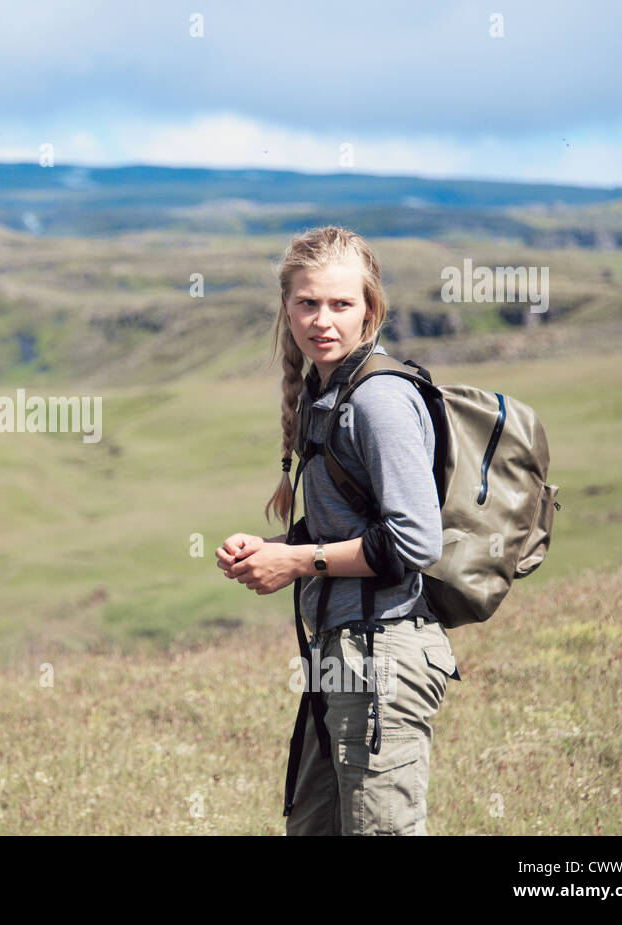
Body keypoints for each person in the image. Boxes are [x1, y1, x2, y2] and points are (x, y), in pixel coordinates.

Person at [215, 225, 459, 835]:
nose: (322, 320)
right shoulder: (325, 394)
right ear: (287, 307)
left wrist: (297, 564)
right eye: (307, 303)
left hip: (384, 653)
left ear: (369, 309)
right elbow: (346, 522)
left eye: (341, 304)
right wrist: (272, 549)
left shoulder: (378, 401)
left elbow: (413, 541)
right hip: (338, 655)